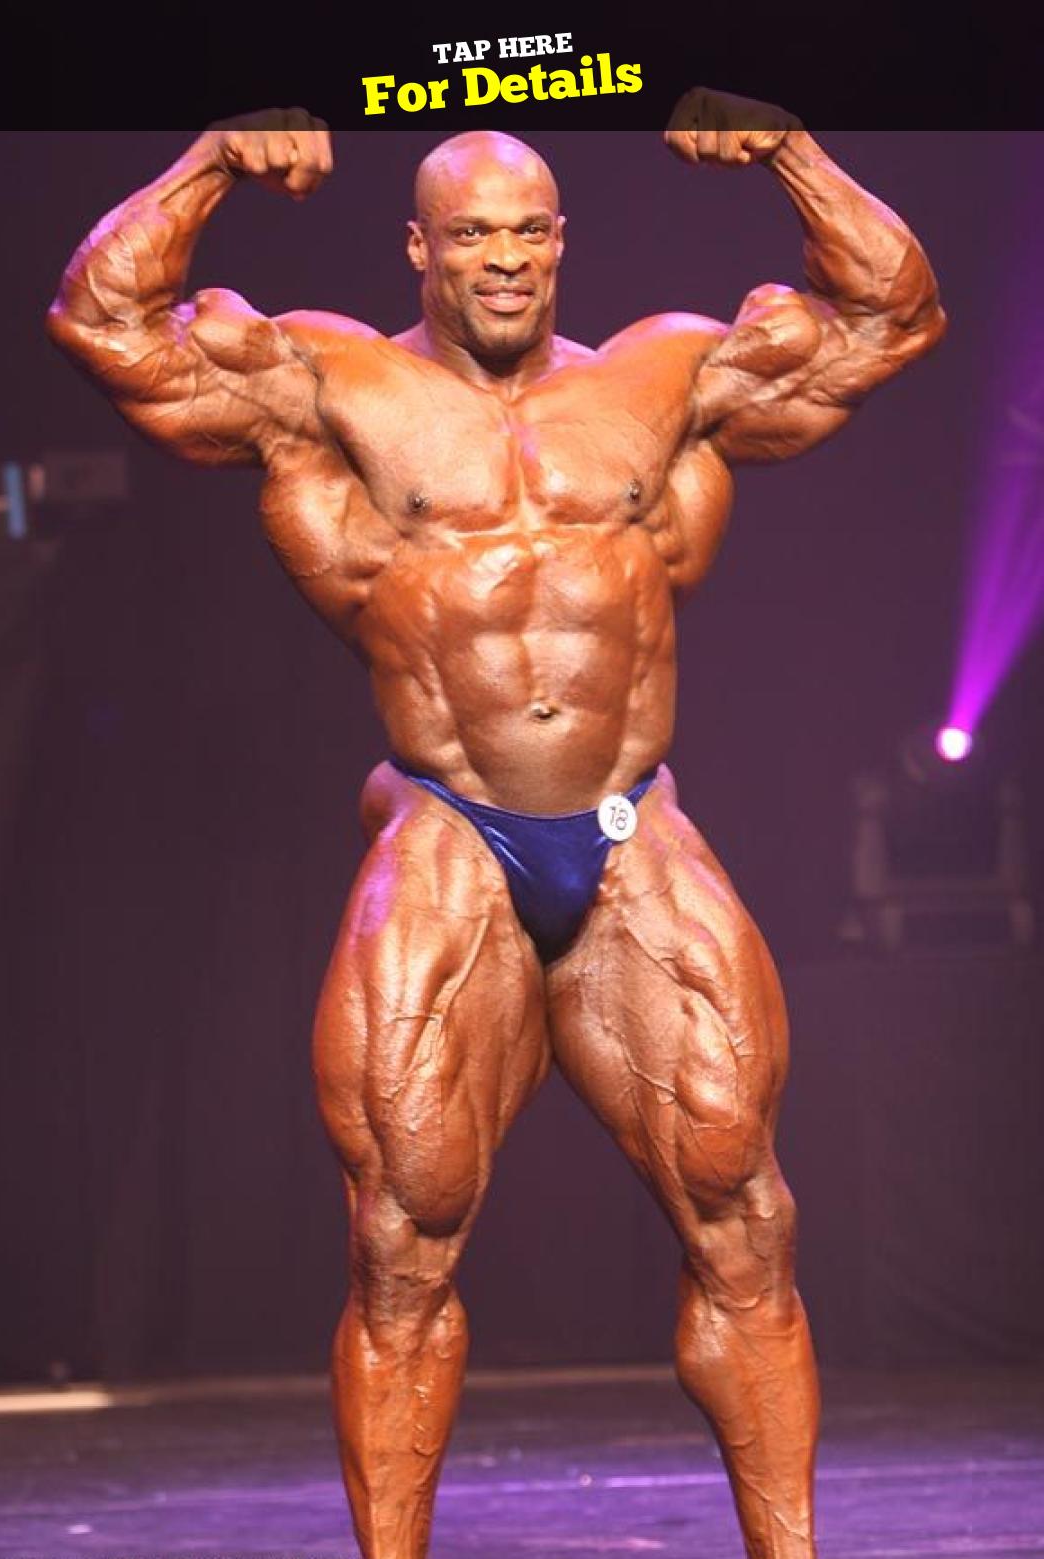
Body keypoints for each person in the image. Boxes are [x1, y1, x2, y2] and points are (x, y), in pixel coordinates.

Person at [47, 100, 945, 1559]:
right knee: (403, 1242)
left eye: (529, 230)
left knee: (746, 1213)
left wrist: (790, 153)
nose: (507, 259)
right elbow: (104, 319)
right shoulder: (326, 382)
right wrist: (212, 161)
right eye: (473, 234)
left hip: (629, 822)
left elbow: (892, 317)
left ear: (562, 242)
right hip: (455, 824)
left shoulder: (662, 376)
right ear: (419, 247)